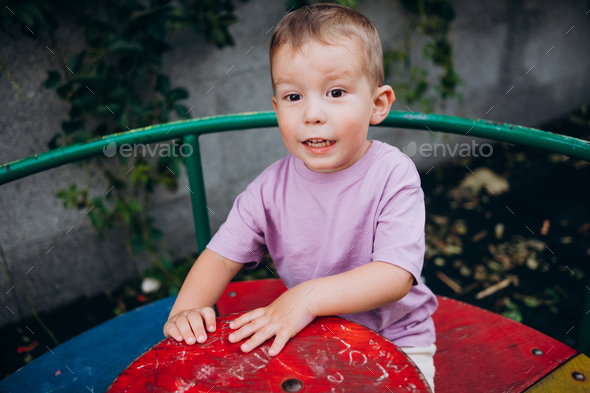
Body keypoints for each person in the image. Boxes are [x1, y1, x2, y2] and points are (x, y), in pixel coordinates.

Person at [164, 3, 438, 391]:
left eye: (336, 92)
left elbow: (394, 276)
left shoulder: (392, 173)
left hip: (395, 338)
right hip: (311, 334)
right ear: (277, 110)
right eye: (293, 97)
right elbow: (220, 257)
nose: (312, 114)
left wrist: (305, 298)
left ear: (377, 104)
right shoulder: (268, 189)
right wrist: (188, 309)